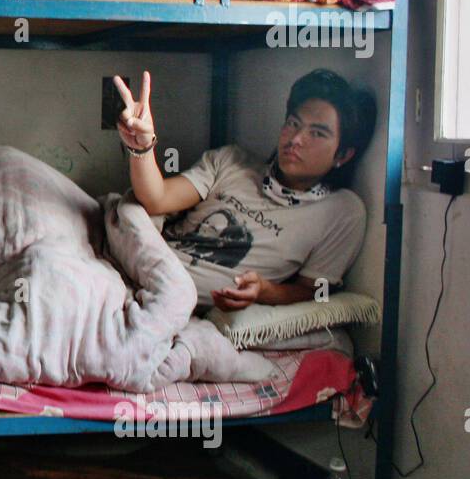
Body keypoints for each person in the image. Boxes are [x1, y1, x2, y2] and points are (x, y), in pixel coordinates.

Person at [112, 68, 376, 312]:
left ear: (343, 154)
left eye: (317, 133)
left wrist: (265, 291)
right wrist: (142, 148)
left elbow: (313, 292)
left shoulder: (341, 212)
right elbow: (156, 200)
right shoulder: (231, 161)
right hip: (140, 261)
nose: (296, 140)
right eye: (294, 124)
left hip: (172, 295)